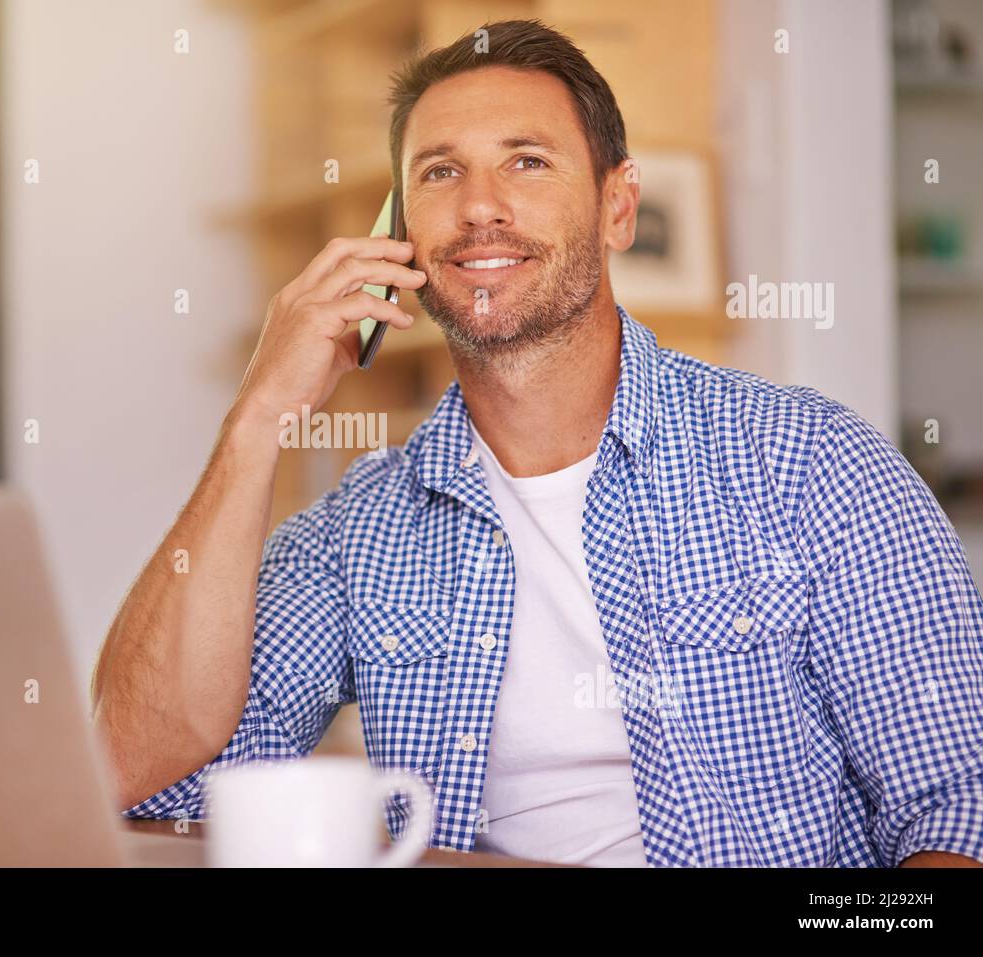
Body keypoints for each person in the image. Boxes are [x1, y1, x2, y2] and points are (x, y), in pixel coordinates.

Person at [91, 19, 983, 867]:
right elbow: (139, 774)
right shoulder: (359, 531)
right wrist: (257, 420)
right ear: (401, 237)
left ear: (617, 207)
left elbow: (959, 811)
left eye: (527, 161)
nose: (480, 206)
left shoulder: (811, 463)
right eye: (439, 172)